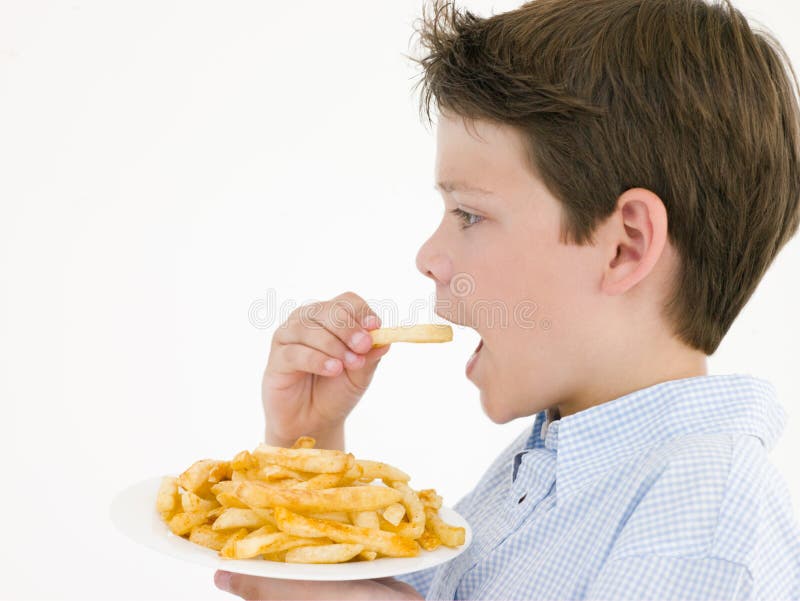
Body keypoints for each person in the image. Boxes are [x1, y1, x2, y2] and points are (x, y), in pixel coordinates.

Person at [214, 0, 800, 598]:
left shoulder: (706, 514)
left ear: (625, 246)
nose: (427, 256)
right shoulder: (544, 471)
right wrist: (306, 452)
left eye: (469, 213)